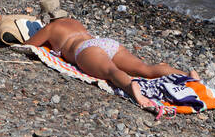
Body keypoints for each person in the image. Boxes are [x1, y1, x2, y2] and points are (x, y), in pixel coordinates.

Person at [22, 17, 186, 109]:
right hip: (106, 43)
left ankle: (131, 87)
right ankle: (186, 75)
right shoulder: (73, 21)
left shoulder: (51, 27)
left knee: (111, 72)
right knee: (145, 69)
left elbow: (29, 45)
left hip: (85, 50)